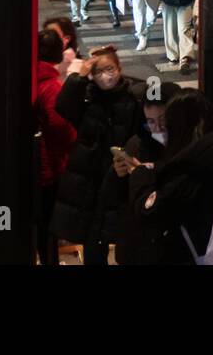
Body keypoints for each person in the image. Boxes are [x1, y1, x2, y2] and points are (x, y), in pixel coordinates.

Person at [125, 90, 213, 265]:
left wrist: (140, 174)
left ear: (180, 126)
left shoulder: (190, 171)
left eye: (166, 122)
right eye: (151, 122)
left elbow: (149, 212)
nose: (161, 128)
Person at [51, 46, 143, 264]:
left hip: (120, 177)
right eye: (98, 72)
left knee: (125, 239)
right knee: (93, 240)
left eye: (109, 69)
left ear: (119, 68)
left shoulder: (133, 98)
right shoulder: (87, 96)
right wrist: (80, 76)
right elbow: (62, 106)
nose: (105, 76)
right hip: (90, 178)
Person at [105, 81, 182, 264]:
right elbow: (115, 198)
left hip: (173, 246)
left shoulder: (188, 146)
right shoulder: (138, 144)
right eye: (151, 122)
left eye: (163, 120)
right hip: (138, 245)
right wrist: (118, 175)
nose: (157, 128)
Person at [35, 29, 76, 265]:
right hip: (49, 166)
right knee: (48, 224)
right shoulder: (51, 86)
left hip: (40, 164)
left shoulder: (36, 76)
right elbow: (60, 127)